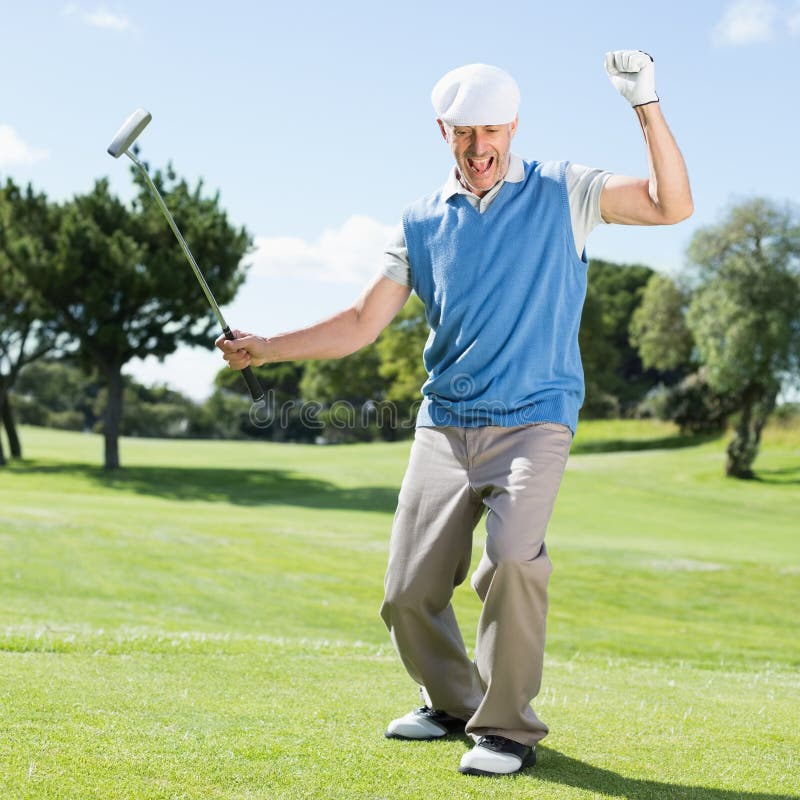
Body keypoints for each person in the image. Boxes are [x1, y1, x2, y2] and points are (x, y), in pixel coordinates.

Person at [217, 51, 693, 778]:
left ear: (514, 125)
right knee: (407, 592)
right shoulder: (418, 220)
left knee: (512, 563)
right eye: (464, 134)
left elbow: (671, 204)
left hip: (536, 418)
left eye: (492, 131)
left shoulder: (566, 190)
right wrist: (266, 348)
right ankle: (451, 702)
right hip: (445, 423)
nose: (479, 149)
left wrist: (645, 105)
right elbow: (357, 323)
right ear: (443, 131)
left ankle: (506, 731)